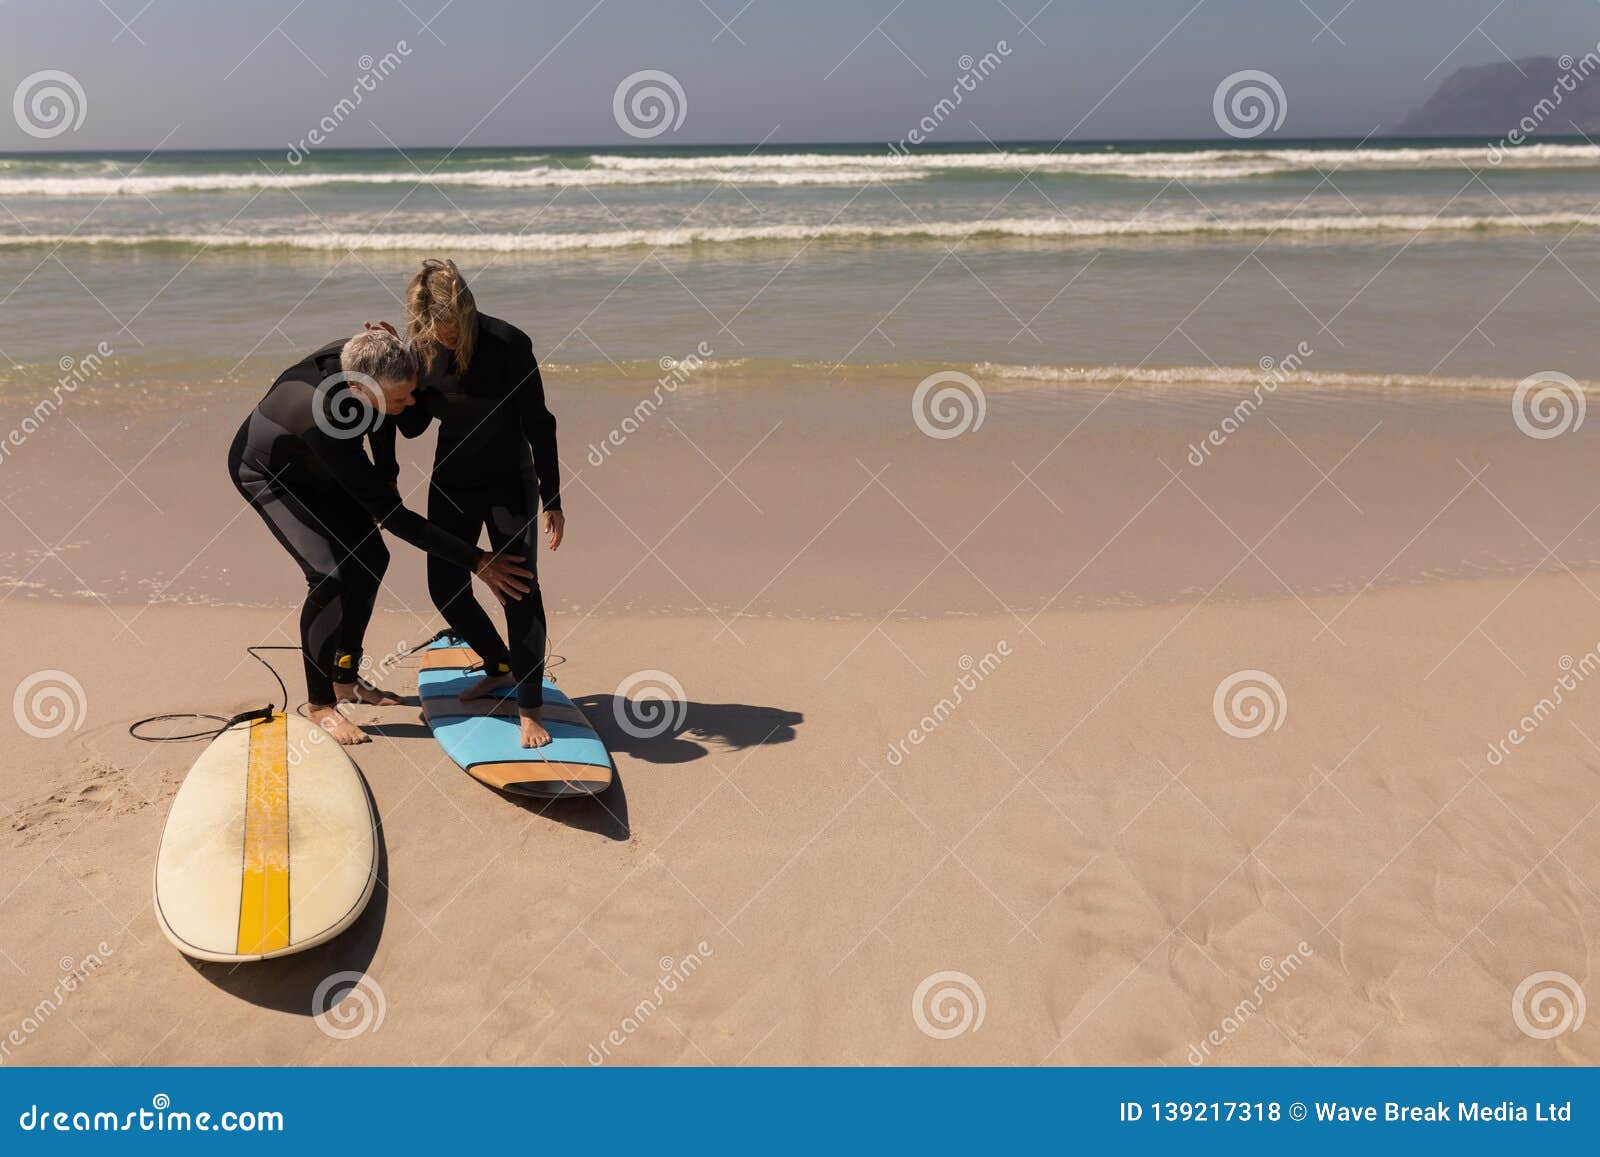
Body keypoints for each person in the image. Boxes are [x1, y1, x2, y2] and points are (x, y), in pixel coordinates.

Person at [228, 327, 533, 745]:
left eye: (411, 393)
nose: (410, 406)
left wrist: (387, 472)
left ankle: (345, 679)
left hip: (319, 466)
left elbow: (381, 421)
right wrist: (477, 560)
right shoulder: (326, 415)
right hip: (271, 475)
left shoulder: (369, 362)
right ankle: (321, 706)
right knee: (331, 577)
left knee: (372, 558)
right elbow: (395, 518)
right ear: (360, 388)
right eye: (401, 399)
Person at [395, 258, 564, 748]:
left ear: (466, 310)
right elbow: (411, 427)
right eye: (431, 328)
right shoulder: (423, 350)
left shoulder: (508, 343)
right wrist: (398, 368)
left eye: (449, 327)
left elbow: (540, 422)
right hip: (452, 478)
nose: (443, 337)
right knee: (444, 587)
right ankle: (498, 665)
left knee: (517, 588)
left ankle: (530, 706)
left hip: (510, 480)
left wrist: (551, 496)